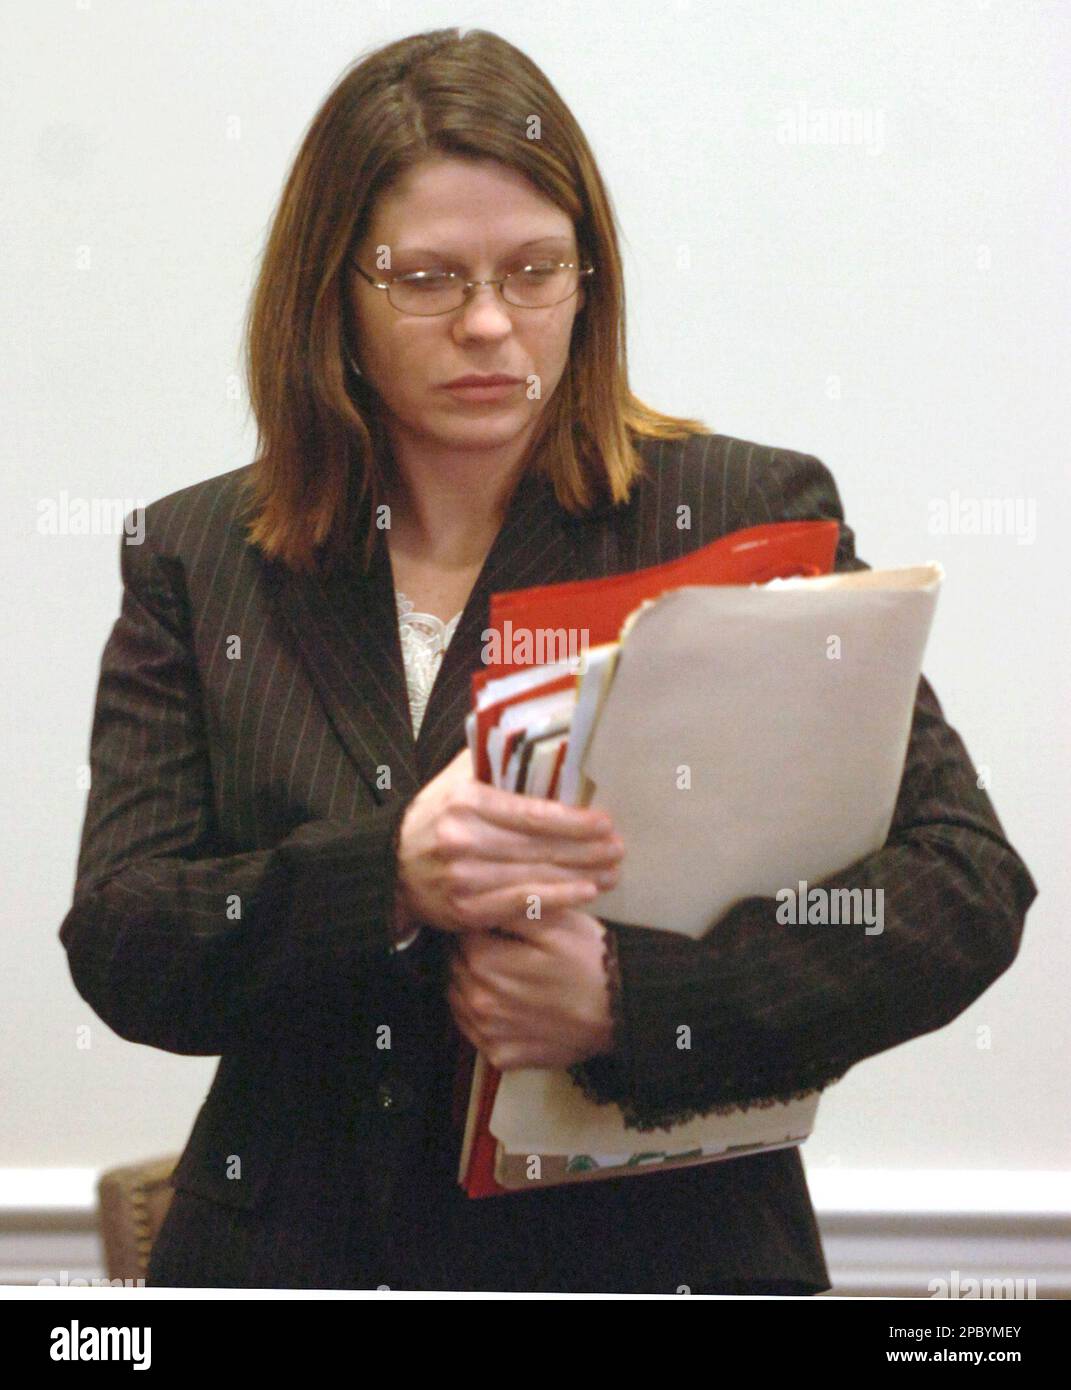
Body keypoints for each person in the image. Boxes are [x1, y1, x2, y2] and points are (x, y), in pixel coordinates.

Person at [59, 28, 1037, 1295]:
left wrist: (637, 1001)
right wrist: (393, 877)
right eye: (424, 278)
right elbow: (128, 940)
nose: (486, 323)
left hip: (661, 1261)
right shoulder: (198, 556)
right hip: (303, 1257)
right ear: (330, 296)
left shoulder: (742, 514)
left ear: (591, 282)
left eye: (533, 271)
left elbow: (964, 886)